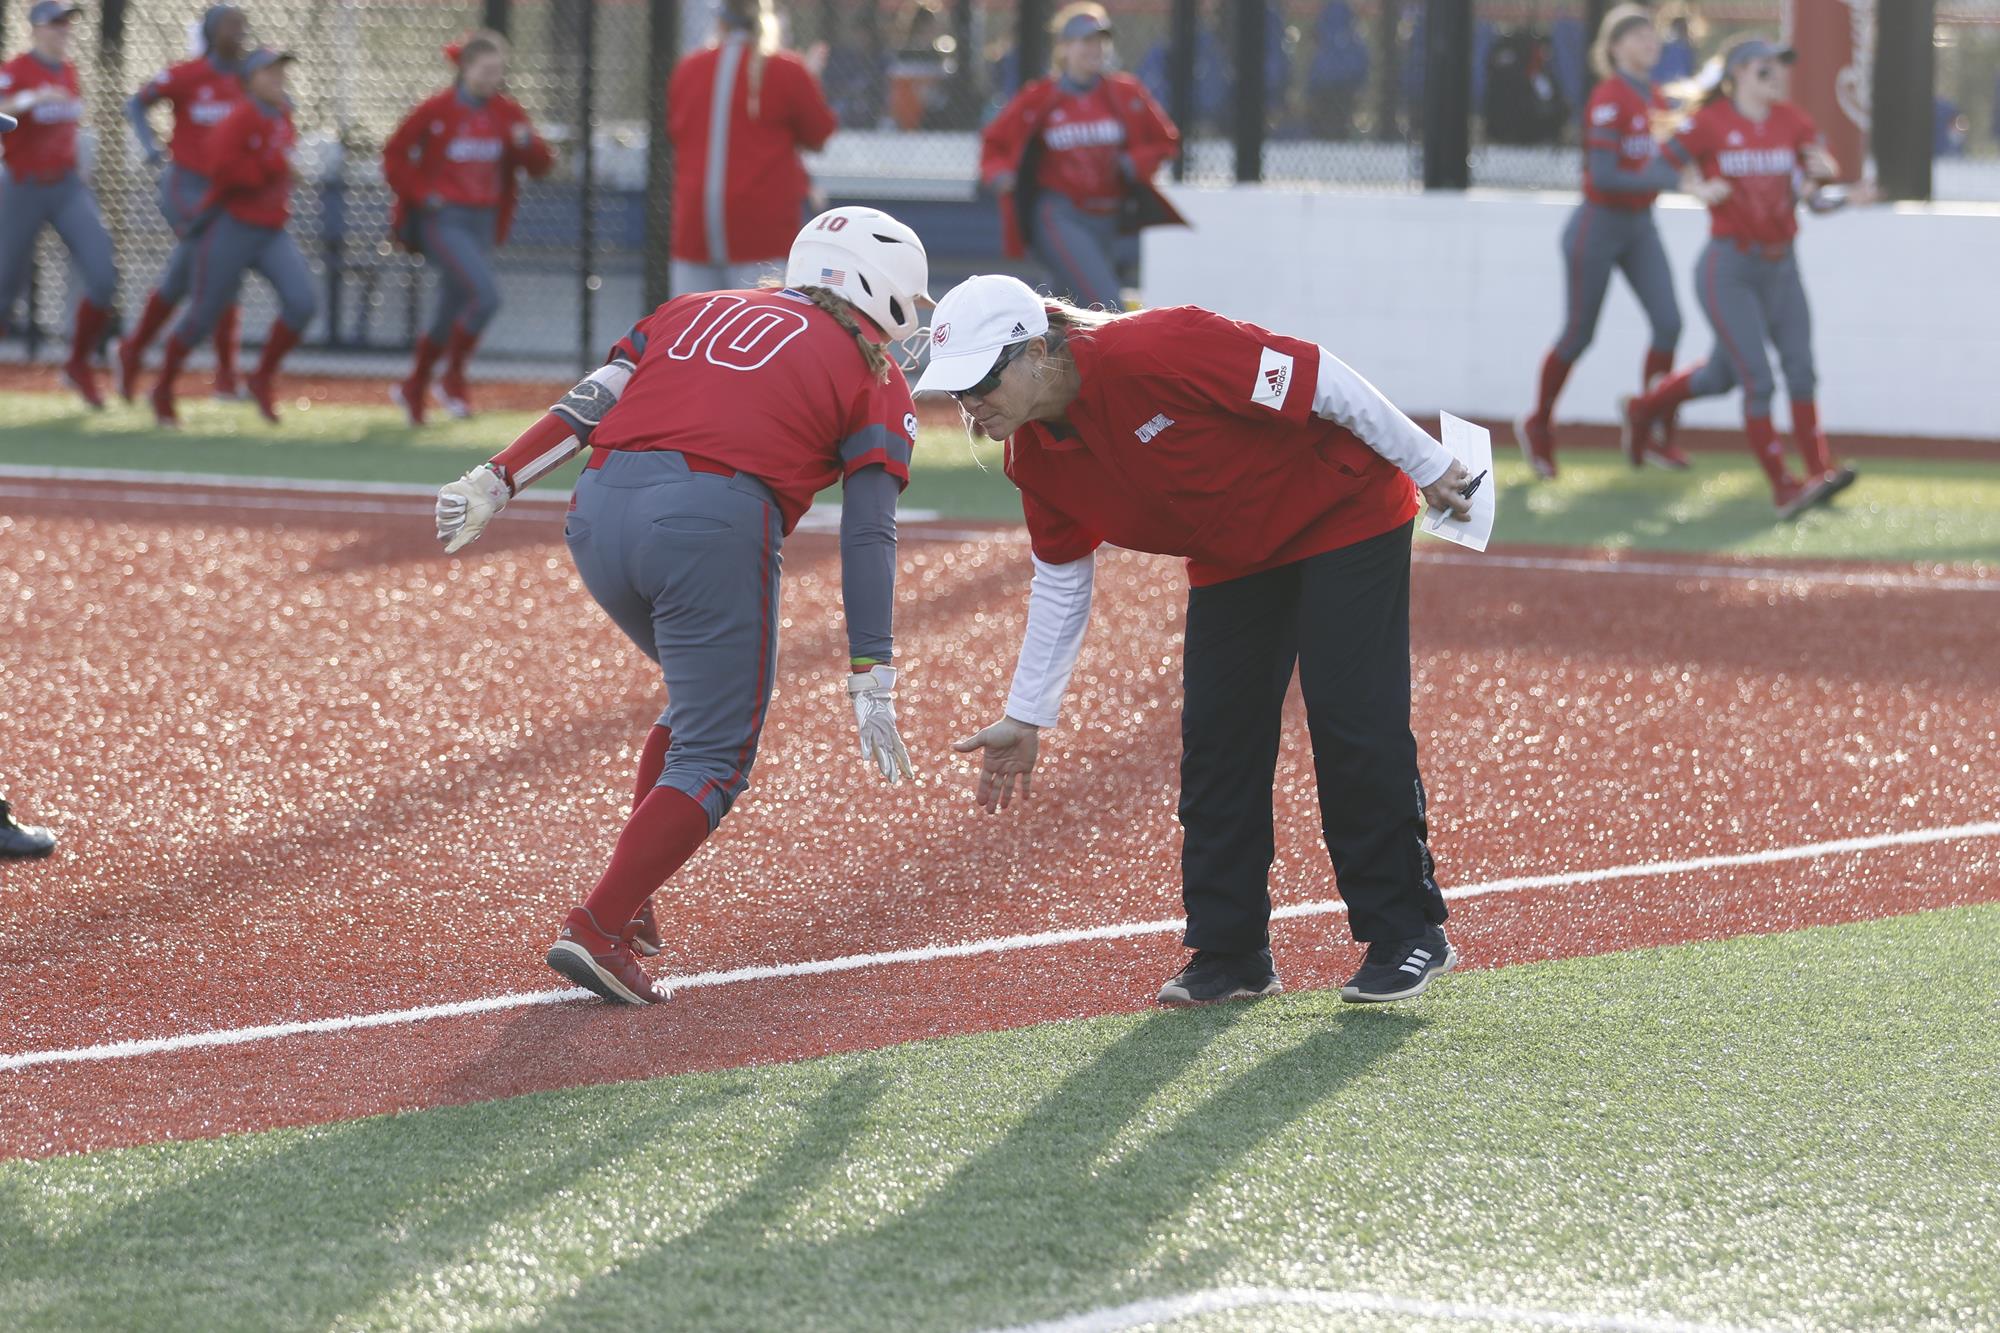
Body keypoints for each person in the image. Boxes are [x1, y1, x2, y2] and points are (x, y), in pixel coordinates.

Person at [925, 274, 1478, 1007]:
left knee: (1351, 719)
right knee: (1218, 741)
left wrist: (1430, 463)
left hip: (1343, 511)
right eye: (958, 391)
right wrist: (1027, 714)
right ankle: (1231, 950)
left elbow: (1321, 380)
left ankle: (1407, 932)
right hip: (1235, 553)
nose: (971, 405)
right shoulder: (1035, 458)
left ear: (1034, 352)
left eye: (981, 382)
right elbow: (1062, 580)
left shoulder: (1161, 346)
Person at [430, 207, 930, 1005]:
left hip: (597, 515)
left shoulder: (690, 307)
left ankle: (630, 899)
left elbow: (588, 406)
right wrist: (872, 666)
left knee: (699, 705)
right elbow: (869, 530)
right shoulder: (872, 369)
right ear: (890, 292)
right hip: (707, 522)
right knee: (718, 751)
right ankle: (597, 926)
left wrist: (501, 477)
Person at [1623, 38, 1867, 519]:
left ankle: (1818, 472)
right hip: (1729, 267)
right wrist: (1693, 184)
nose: (1776, 76)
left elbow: (1814, 200)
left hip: (1782, 267)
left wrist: (1836, 186)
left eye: (1779, 68)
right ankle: (1784, 487)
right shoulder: (1711, 123)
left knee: (1774, 371)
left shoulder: (1795, 123)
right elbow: (1655, 165)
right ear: (1736, 75)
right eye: (1764, 70)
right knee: (1759, 380)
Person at [1518, 5, 1720, 479]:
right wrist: (1673, 178)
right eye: (1637, 35)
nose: (1650, 41)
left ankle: (1649, 425)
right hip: (1599, 225)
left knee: (1668, 324)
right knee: (1578, 335)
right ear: (1613, 48)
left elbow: (1675, 156)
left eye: (1652, 35)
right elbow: (1606, 175)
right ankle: (1539, 424)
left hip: (1639, 224)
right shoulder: (1609, 97)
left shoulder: (1656, 96)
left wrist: (1693, 171)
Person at [383, 32, 553, 425]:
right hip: (443, 220)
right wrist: (424, 194)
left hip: (483, 221)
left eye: (498, 70)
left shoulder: (507, 113)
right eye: (486, 69)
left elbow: (540, 166)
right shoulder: (436, 109)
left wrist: (528, 144)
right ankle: (453, 379)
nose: (493, 78)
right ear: (465, 68)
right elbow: (394, 155)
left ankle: (415, 385)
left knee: (451, 306)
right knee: (486, 296)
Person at [149, 47, 316, 428]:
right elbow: (222, 171)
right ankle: (162, 387)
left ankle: (261, 377)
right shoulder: (239, 117)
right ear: (250, 80)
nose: (278, 79)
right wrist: (274, 166)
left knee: (302, 303)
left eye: (280, 72)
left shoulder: (283, 114)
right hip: (231, 225)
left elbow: (282, 161)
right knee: (203, 316)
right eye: (269, 73)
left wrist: (289, 168)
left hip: (270, 227)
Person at [979, 3, 1183, 311]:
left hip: (1114, 218)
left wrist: (1134, 162)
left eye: (1101, 40)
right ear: (1064, 47)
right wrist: (1000, 175)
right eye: (1086, 41)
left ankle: (1031, 357)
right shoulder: (1040, 96)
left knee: (1069, 313)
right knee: (1106, 302)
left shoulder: (1125, 92)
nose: (1096, 48)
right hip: (1061, 215)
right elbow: (994, 143)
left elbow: (1165, 141)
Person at [119, 4, 250, 404]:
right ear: (212, 33)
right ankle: (225, 377)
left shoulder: (250, 78)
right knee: (220, 265)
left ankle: (133, 349)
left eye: (244, 26)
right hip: (187, 188)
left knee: (186, 276)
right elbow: (136, 103)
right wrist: (150, 148)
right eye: (232, 26)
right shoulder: (187, 74)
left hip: (226, 192)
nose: (241, 33)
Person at [666, 0, 836, 295]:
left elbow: (677, 135)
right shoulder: (787, 70)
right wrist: (810, 79)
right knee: (762, 337)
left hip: (695, 231)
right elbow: (818, 136)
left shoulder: (688, 68)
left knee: (692, 335)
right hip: (761, 234)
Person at [0, 2, 119, 410]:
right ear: (35, 29)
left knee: (103, 274)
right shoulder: (16, 69)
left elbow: (71, 130)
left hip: (66, 186)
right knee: (3, 290)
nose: (63, 30)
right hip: (22, 185)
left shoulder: (69, 70)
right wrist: (30, 97)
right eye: (55, 23)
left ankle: (78, 363)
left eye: (67, 23)